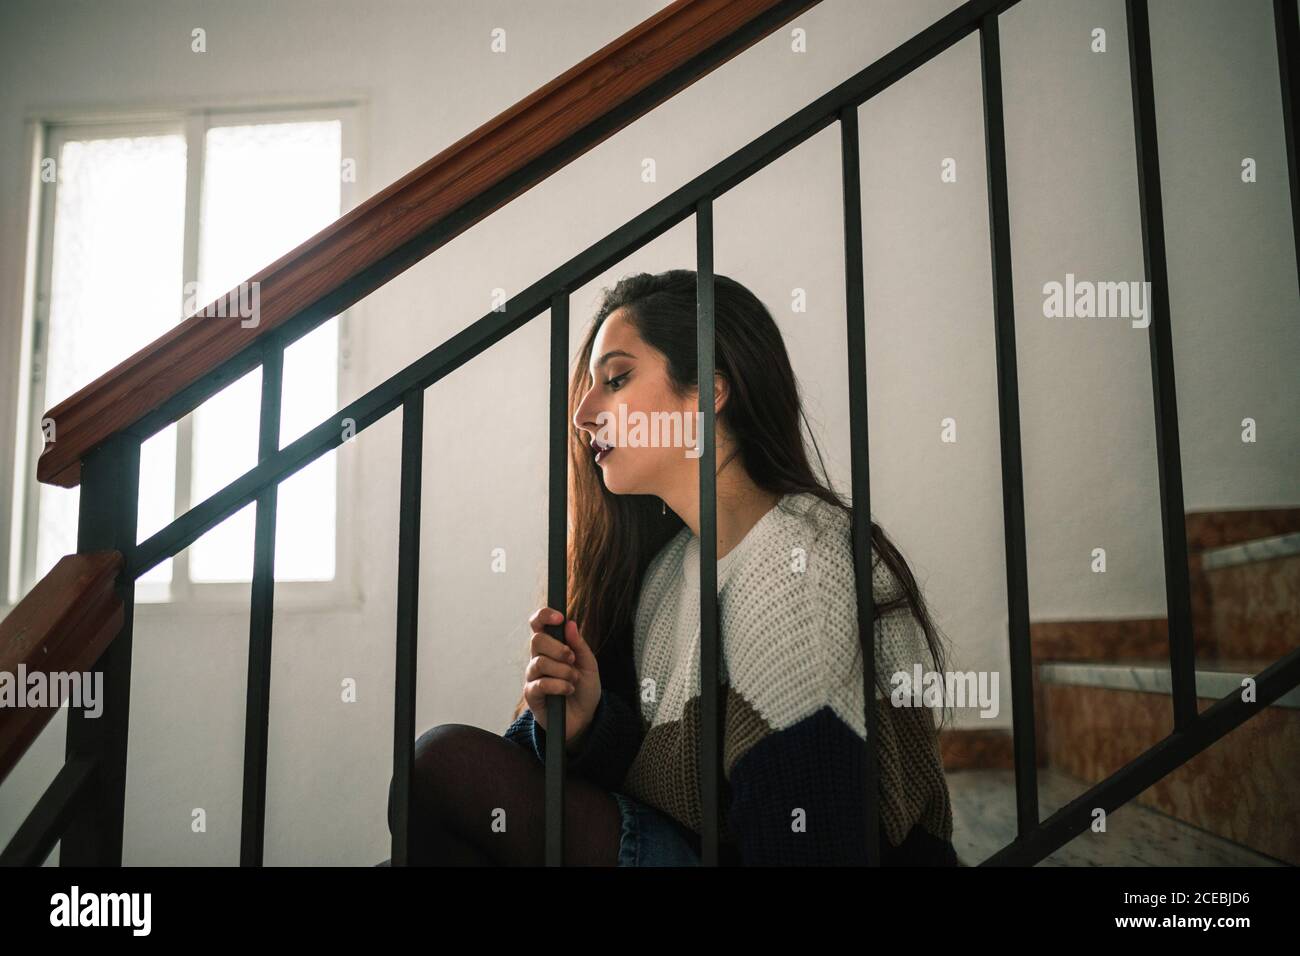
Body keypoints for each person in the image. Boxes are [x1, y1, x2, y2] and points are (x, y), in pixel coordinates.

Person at [388, 269, 960, 865]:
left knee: (441, 766)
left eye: (615, 379)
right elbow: (686, 791)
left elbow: (814, 838)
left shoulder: (798, 564)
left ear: (711, 392)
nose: (582, 413)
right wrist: (589, 727)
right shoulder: (667, 574)